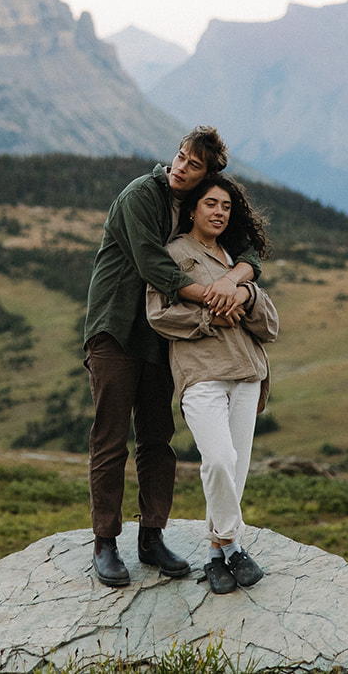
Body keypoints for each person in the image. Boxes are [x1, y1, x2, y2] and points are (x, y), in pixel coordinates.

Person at [82, 126, 262, 587]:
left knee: (157, 438)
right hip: (117, 326)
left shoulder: (197, 204)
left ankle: (151, 537)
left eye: (193, 164)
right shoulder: (142, 194)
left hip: (163, 336)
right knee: (111, 437)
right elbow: (154, 265)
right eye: (180, 156)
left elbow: (248, 251)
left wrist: (234, 281)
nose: (180, 167)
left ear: (207, 174)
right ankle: (105, 542)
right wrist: (217, 298)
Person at [146, 173, 278, 594]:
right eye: (211, 204)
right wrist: (210, 316)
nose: (219, 212)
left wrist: (245, 296)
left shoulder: (235, 260)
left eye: (226, 206)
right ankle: (234, 545)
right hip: (201, 374)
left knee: (235, 471)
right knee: (218, 460)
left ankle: (216, 556)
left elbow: (271, 325)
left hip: (248, 373)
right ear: (192, 210)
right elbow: (158, 315)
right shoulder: (172, 254)